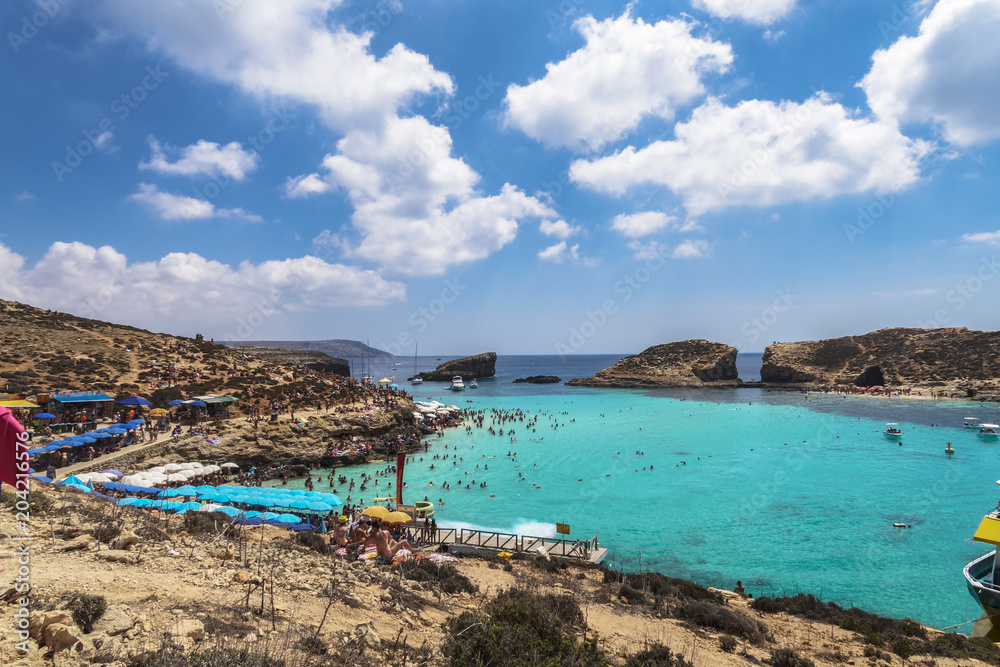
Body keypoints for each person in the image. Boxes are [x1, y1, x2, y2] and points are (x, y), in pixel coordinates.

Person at [348, 518, 420, 562]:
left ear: (373, 527)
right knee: (403, 541)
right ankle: (413, 550)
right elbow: (391, 538)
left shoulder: (373, 535)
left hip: (380, 554)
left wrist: (350, 545)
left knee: (390, 541)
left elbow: (362, 542)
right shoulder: (386, 532)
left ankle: (402, 548)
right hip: (388, 554)